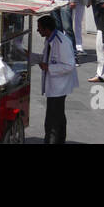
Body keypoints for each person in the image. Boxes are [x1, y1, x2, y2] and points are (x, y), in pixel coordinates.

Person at [34, 14, 78, 143]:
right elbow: (45, 57)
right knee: (58, 116)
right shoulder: (49, 39)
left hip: (60, 86)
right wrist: (30, 55)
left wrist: (49, 68)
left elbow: (69, 66)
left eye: (39, 28)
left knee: (52, 120)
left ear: (47, 29)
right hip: (54, 85)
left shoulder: (62, 42)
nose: (37, 30)